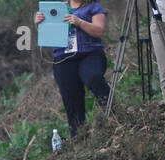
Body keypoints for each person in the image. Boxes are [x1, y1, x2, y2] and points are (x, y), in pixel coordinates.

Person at [35, 3, 111, 137]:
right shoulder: (56, 8)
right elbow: (48, 36)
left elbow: (99, 31)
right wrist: (40, 22)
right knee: (70, 97)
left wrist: (79, 22)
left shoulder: (93, 7)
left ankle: (114, 114)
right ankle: (79, 137)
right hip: (64, 57)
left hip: (90, 53)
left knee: (93, 77)